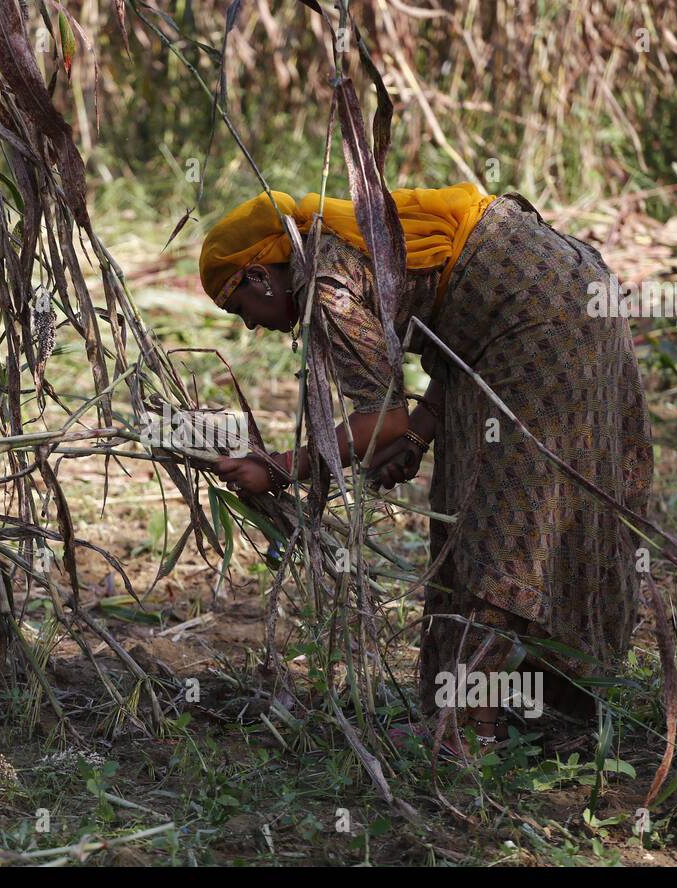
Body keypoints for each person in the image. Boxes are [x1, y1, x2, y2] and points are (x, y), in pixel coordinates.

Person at [199, 184, 653, 746]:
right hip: (569, 292)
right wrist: (417, 436)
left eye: (239, 307)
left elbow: (381, 418)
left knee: (506, 525)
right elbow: (464, 335)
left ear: (261, 276)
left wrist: (281, 467)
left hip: (546, 326)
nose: (249, 325)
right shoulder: (348, 247)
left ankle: (467, 728)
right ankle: (539, 707)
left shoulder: (326, 281)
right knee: (485, 506)